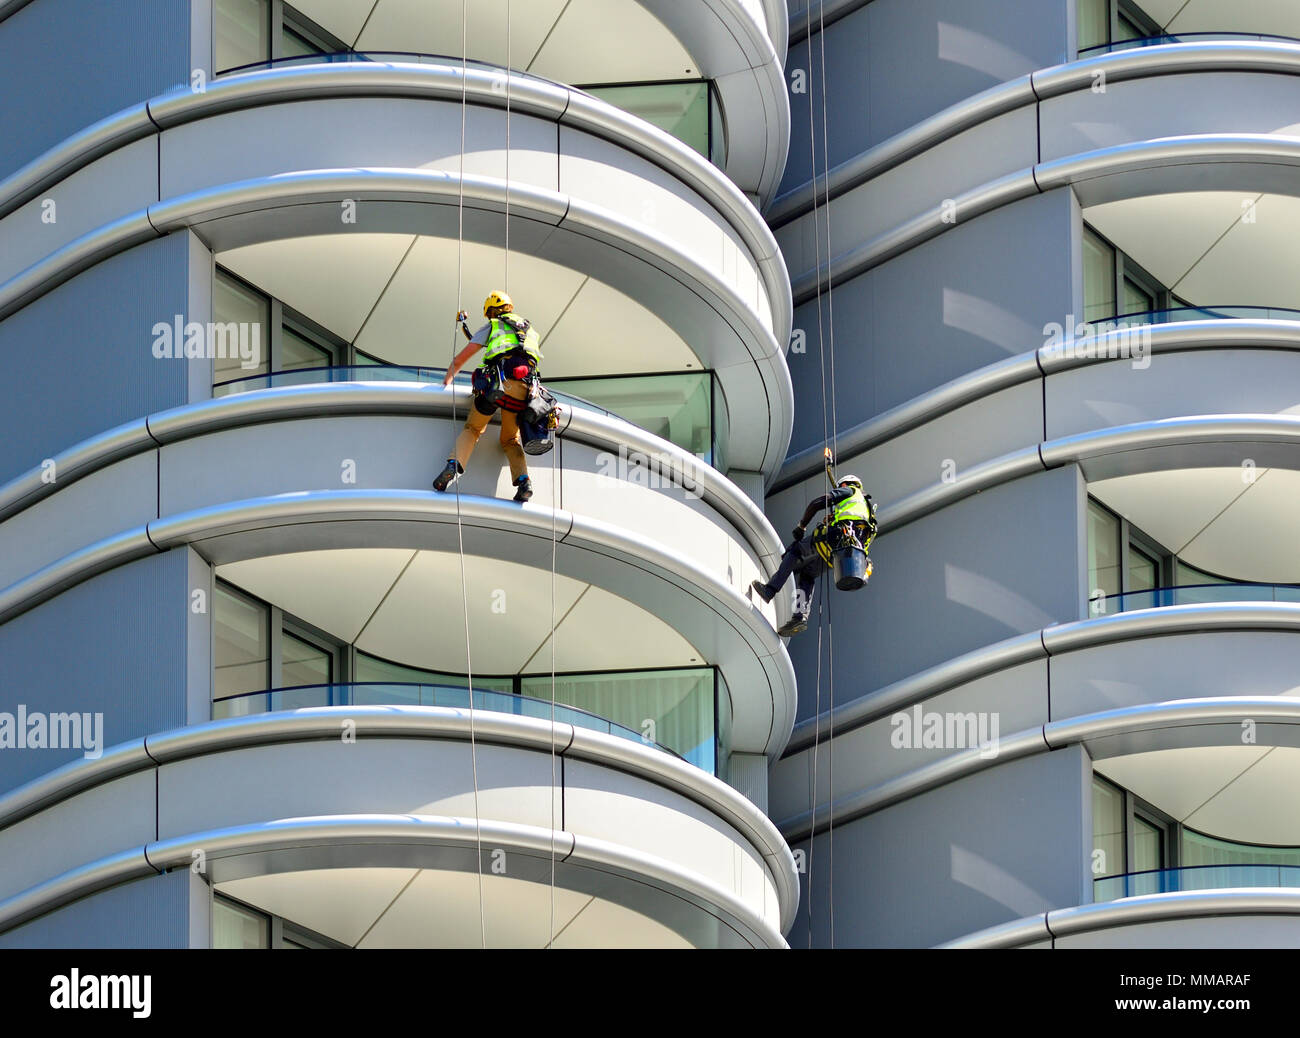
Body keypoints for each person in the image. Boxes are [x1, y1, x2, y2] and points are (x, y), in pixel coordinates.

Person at [433, 290, 544, 503]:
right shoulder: (529, 330)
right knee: (511, 439)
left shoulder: (494, 325)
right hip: (525, 391)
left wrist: (446, 382)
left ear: (491, 310)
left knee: (473, 429)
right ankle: (524, 482)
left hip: (497, 385)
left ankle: (452, 466)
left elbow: (461, 358)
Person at [750, 474, 876, 636]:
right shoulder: (867, 510)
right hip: (839, 555)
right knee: (808, 575)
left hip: (835, 538)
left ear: (847, 484)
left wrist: (801, 526)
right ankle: (799, 616)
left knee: (795, 551)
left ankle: (770, 590)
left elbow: (816, 503)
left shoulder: (850, 491)